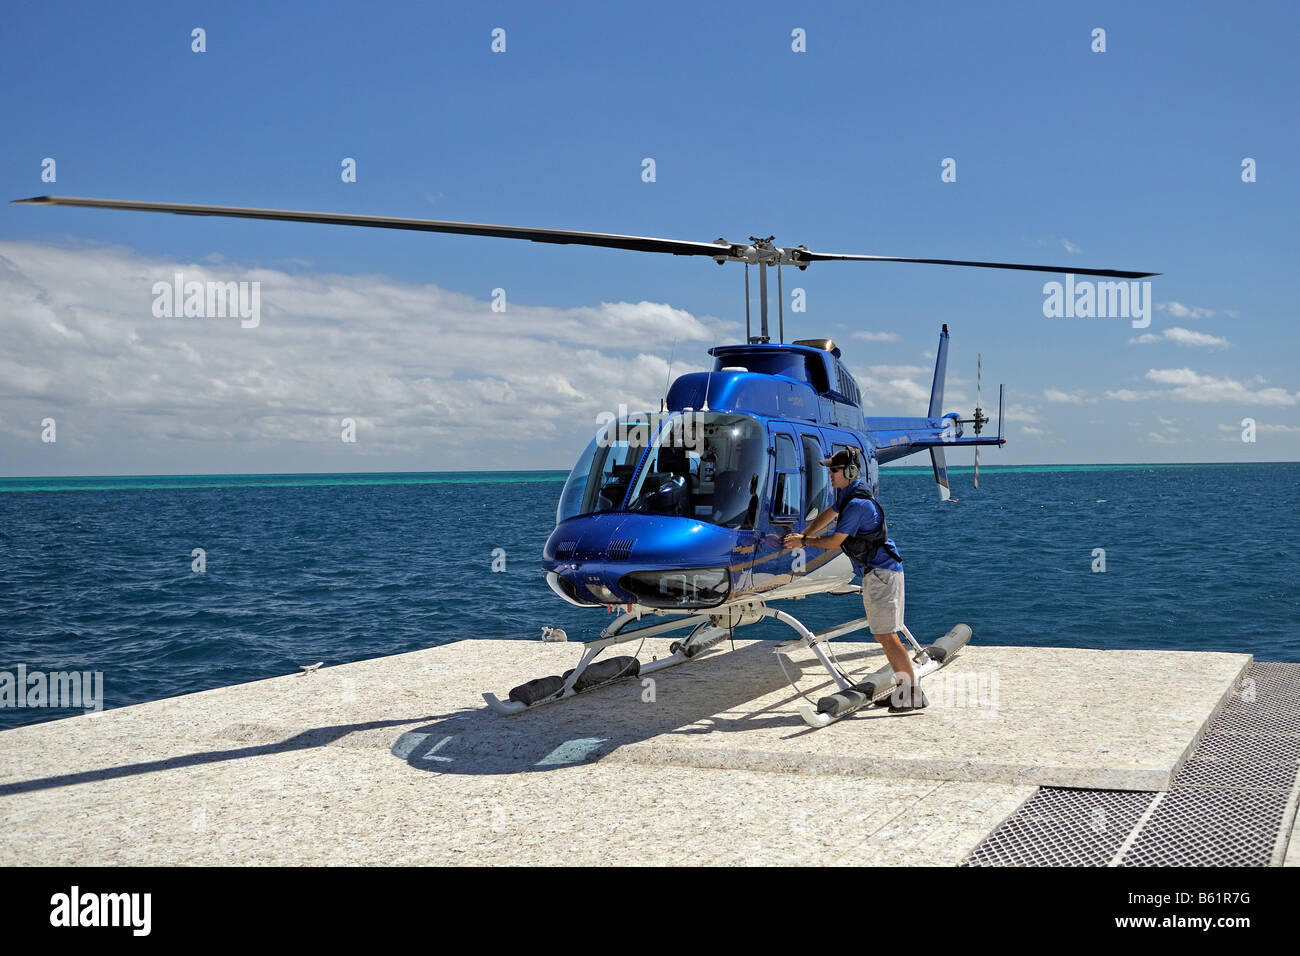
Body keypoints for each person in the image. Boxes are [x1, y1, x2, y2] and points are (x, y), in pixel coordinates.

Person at [782, 448, 927, 712]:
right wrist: (805, 532)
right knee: (884, 635)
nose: (830, 475)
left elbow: (835, 542)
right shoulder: (848, 496)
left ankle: (912, 693)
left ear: (850, 472)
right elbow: (828, 512)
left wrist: (803, 541)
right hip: (878, 572)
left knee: (886, 635)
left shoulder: (858, 504)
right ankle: (903, 689)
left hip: (882, 574)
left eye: (834, 471)